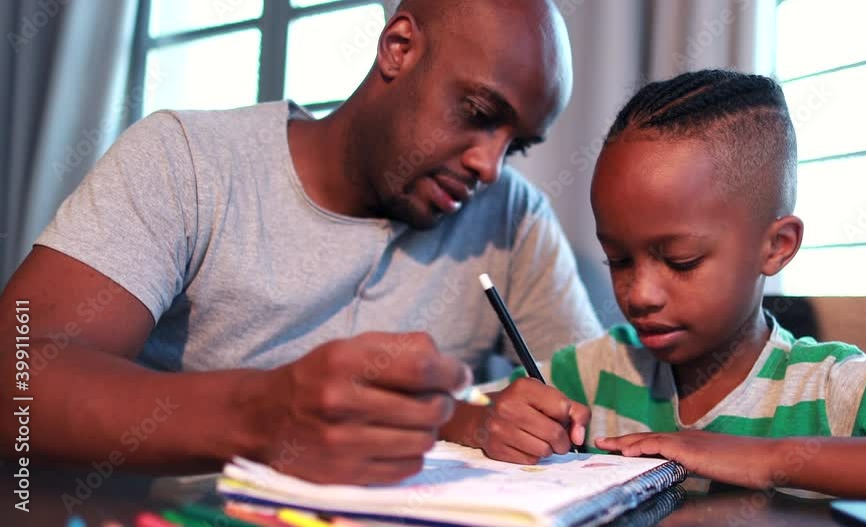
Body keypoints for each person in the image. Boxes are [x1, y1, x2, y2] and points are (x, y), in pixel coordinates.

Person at [0, 0, 602, 484]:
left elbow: (594, 396)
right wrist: (259, 415)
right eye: (475, 111)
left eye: (515, 145)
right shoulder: (187, 162)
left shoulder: (512, 216)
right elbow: (18, 380)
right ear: (399, 47)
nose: (491, 166)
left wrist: (477, 419)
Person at [441, 70, 866, 502]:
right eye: (617, 259)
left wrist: (771, 458)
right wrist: (491, 422)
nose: (640, 295)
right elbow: (450, 415)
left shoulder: (836, 393)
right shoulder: (592, 375)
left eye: (680, 261)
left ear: (775, 246)